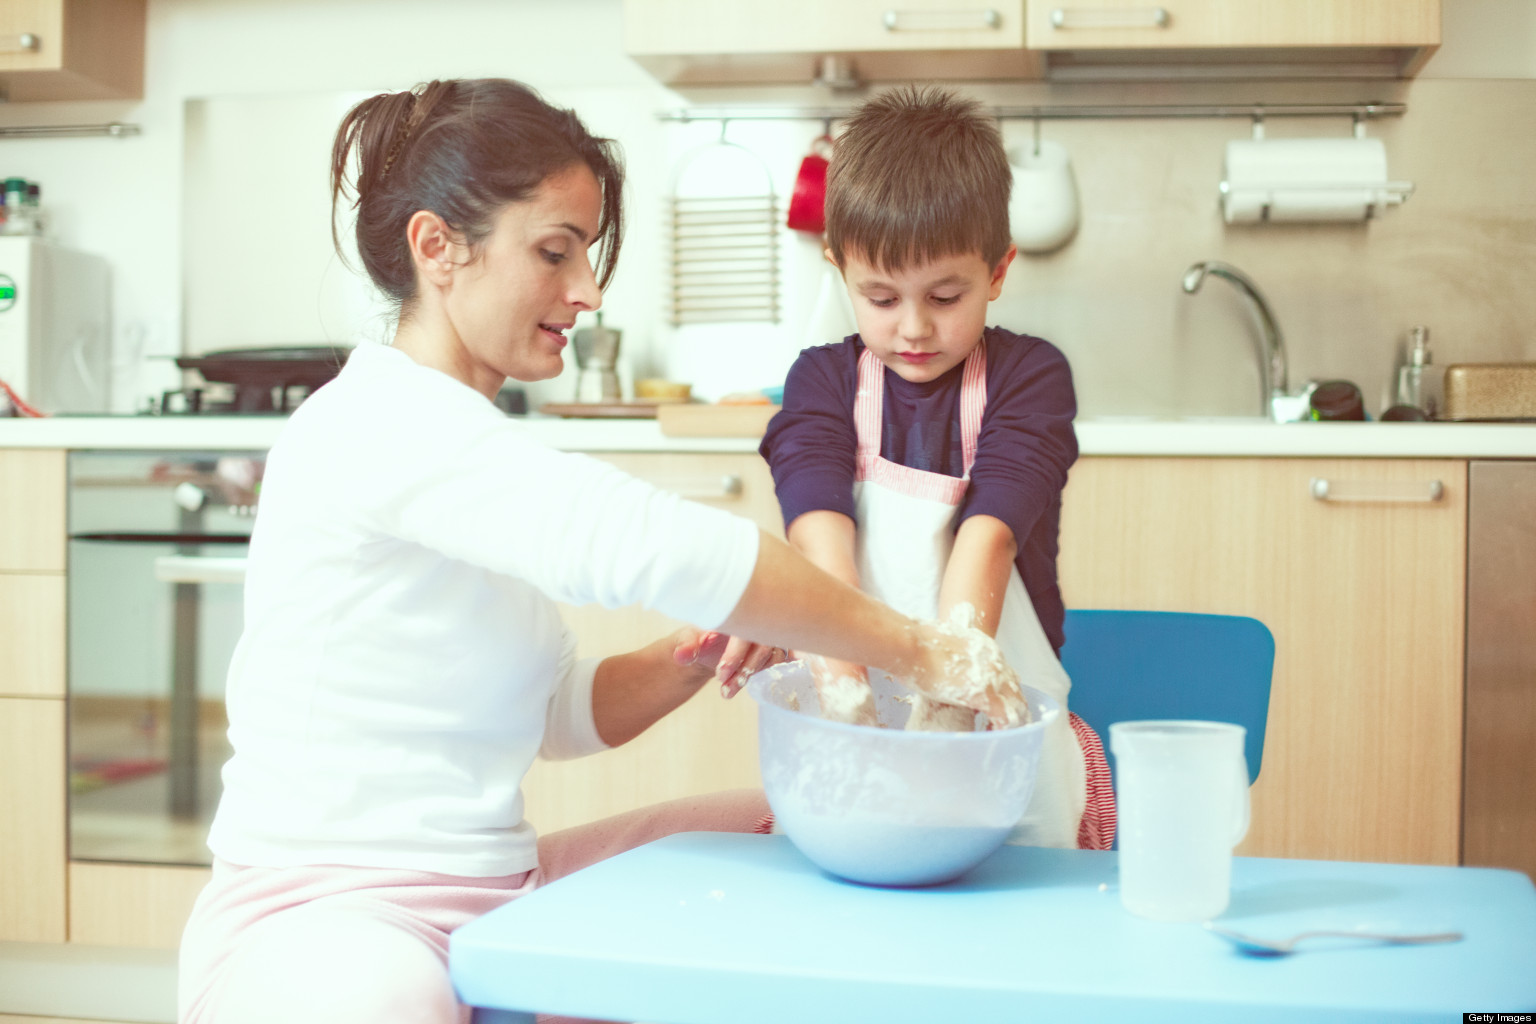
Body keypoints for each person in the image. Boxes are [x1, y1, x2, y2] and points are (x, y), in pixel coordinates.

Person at [176, 79, 1023, 1024]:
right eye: (554, 251)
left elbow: (555, 715)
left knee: (806, 832)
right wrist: (925, 652)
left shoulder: (473, 446)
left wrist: (689, 655)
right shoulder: (380, 424)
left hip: (499, 885)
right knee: (397, 1001)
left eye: (585, 253)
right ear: (437, 248)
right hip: (326, 915)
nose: (587, 291)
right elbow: (665, 546)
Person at [758, 86, 1115, 851]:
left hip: (996, 720)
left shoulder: (1030, 377)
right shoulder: (823, 382)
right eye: (880, 297)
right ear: (839, 268)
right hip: (850, 693)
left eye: (946, 295)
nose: (914, 327)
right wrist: (848, 696)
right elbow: (821, 546)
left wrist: (949, 713)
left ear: (998, 270)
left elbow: (988, 540)